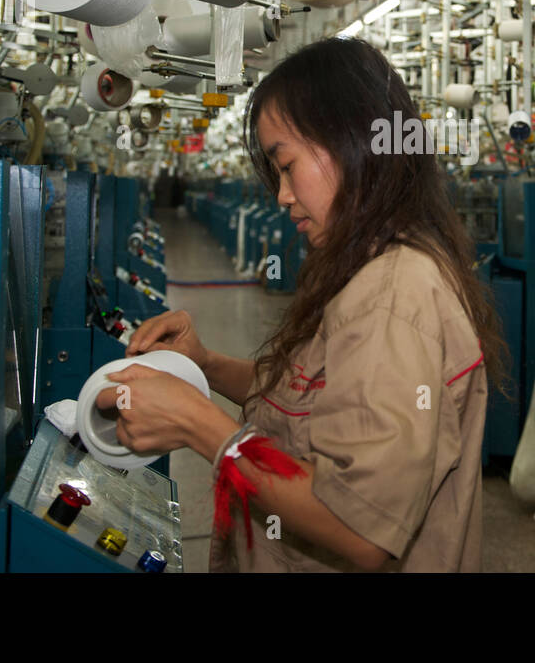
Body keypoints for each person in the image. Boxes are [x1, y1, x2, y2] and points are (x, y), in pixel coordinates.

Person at [96, 36, 508, 572]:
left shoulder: (392, 296)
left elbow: (361, 528)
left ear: (351, 145)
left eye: (287, 166)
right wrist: (207, 366)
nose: (282, 195)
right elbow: (312, 399)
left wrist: (201, 426)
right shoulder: (366, 267)